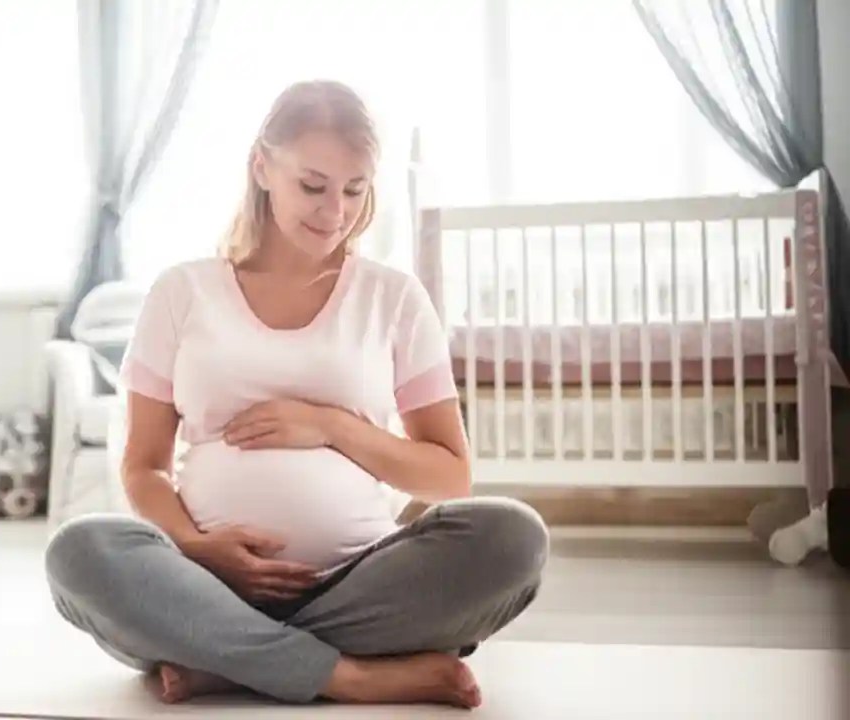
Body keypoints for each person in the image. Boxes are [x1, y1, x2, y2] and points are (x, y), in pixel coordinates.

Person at [44, 80, 548, 709]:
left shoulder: (392, 297)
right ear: (261, 167)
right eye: (313, 186)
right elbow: (143, 466)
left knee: (512, 537)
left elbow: (449, 475)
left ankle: (227, 661)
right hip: (206, 581)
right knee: (80, 552)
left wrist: (331, 426)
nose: (335, 211)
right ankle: (350, 675)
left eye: (355, 190)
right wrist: (199, 548)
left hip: (359, 583)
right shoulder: (182, 293)